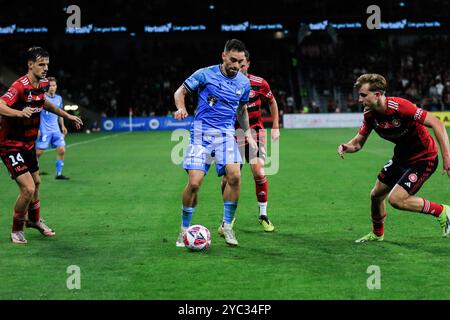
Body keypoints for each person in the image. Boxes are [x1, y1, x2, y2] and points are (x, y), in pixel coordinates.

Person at [337, 73, 450, 243]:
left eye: (363, 95)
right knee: (376, 195)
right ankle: (377, 234)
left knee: (396, 199)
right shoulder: (369, 115)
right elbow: (358, 143)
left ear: (377, 94)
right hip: (401, 157)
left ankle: (442, 211)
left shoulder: (400, 107)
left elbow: (437, 123)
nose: (359, 100)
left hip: (424, 158)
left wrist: (447, 158)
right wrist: (347, 146)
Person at [173, 39, 256, 247]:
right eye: (233, 60)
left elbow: (242, 110)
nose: (236, 66)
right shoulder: (205, 74)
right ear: (223, 56)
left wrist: (249, 135)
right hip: (201, 134)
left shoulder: (243, 83)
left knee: (235, 176)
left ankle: (227, 227)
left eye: (240, 62)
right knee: (194, 183)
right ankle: (184, 229)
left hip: (226, 135)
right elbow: (179, 92)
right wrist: (181, 108)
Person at [0, 47, 83, 244]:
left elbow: (45, 103)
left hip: (28, 144)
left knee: (37, 183)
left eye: (47, 64)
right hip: (10, 145)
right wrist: (19, 113)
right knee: (28, 188)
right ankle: (17, 229)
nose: (45, 68)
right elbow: (1, 105)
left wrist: (67, 115)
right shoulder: (19, 86)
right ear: (30, 65)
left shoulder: (43, 83)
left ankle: (35, 221)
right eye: (41, 64)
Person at [221, 50, 280, 232]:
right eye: (237, 63)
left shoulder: (259, 83)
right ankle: (228, 217)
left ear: (248, 63)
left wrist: (276, 126)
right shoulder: (225, 84)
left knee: (259, 172)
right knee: (227, 178)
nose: (239, 67)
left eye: (243, 64)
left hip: (255, 132)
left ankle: (263, 214)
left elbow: (272, 102)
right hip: (232, 134)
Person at [36, 77, 70, 179]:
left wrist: (62, 126)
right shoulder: (41, 98)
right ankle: (34, 171)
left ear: (56, 86)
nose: (52, 87)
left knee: (62, 150)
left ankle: (58, 174)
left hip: (56, 130)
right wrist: (37, 128)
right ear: (46, 86)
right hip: (44, 130)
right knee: (38, 153)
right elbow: (36, 114)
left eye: (54, 85)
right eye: (50, 85)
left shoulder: (59, 98)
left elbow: (60, 113)